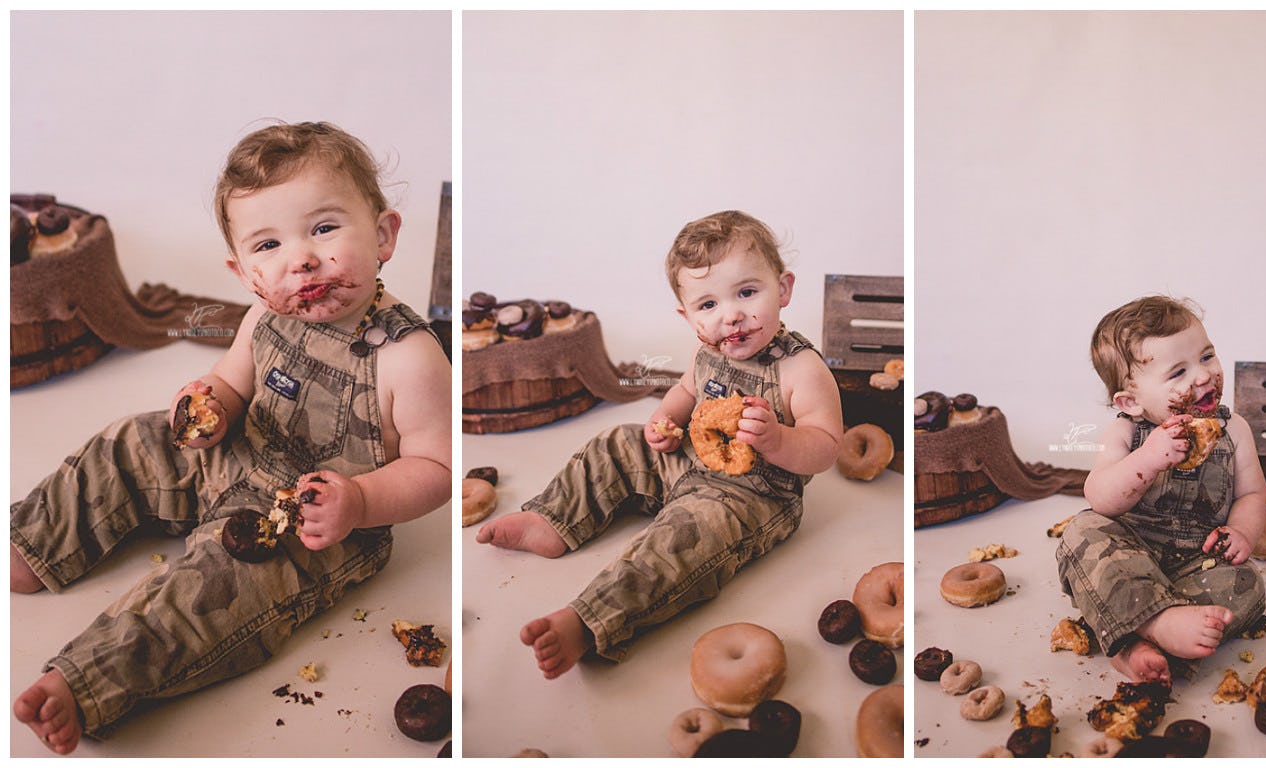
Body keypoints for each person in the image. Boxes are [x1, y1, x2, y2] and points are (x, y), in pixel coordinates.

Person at [11, 122, 452, 753]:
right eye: (268, 244)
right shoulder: (262, 315)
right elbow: (232, 384)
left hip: (318, 520)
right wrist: (209, 404)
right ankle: (36, 539)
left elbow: (435, 466)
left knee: (217, 583)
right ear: (243, 271)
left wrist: (359, 503)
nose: (299, 258)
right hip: (239, 455)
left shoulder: (409, 356)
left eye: (324, 229)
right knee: (131, 440)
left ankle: (91, 680)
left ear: (383, 235)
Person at [477, 210, 843, 679]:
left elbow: (826, 445)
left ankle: (591, 620)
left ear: (784, 289)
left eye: (747, 293)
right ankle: (553, 517)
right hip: (687, 461)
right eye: (708, 305)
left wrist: (778, 439)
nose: (730, 314)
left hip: (753, 496)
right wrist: (663, 422)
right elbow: (686, 392)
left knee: (683, 534)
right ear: (686, 315)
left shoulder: (801, 369)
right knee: (618, 442)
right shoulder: (708, 350)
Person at [1057, 295, 1266, 683]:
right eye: (1178, 373)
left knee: (1248, 584)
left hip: (1197, 563)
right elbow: (1100, 497)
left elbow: (1252, 494)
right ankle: (1159, 623)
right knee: (1080, 533)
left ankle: (1134, 639)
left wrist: (1242, 532)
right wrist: (1147, 460)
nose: (1203, 377)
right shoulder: (1126, 432)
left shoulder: (1234, 429)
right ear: (1131, 401)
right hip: (1128, 555)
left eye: (1206, 357)